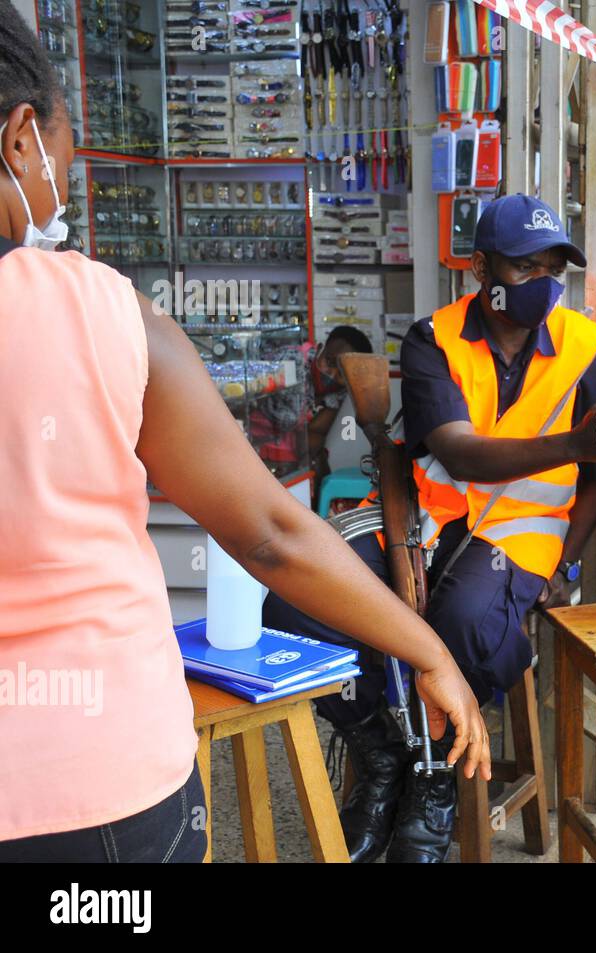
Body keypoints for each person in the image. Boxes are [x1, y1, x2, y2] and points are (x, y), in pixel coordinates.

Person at [0, 8, 490, 861]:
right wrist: (426, 650)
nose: (64, 191)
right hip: (102, 786)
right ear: (21, 142)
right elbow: (267, 533)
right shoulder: (103, 316)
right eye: (65, 159)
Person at [263, 194, 596, 864]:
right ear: (480, 268)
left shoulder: (584, 344)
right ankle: (382, 752)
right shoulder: (434, 338)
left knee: (458, 621)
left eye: (554, 265)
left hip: (524, 533)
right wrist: (574, 443)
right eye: (524, 266)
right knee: (291, 602)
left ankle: (433, 775)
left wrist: (568, 566)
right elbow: (457, 452)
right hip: (424, 522)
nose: (543, 278)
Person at [305, 324, 373, 490]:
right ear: (320, 348)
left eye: (342, 372)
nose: (332, 374)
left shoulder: (342, 389)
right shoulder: (294, 364)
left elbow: (316, 432)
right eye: (329, 361)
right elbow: (291, 427)